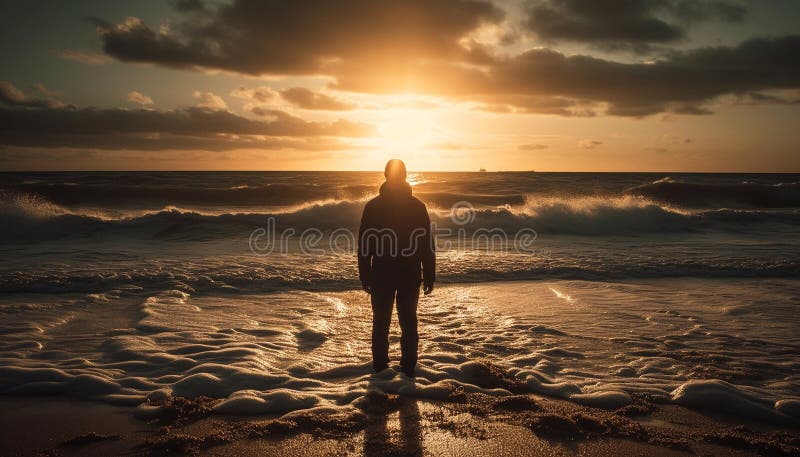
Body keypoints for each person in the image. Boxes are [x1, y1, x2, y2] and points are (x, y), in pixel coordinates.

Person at [358, 159, 435, 377]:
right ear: (404, 175)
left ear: (385, 175)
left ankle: (381, 370)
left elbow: (365, 244)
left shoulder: (373, 206)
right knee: (407, 321)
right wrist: (429, 273)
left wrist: (365, 274)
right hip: (406, 272)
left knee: (384, 322)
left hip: (385, 272)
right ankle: (407, 369)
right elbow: (426, 244)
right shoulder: (416, 206)